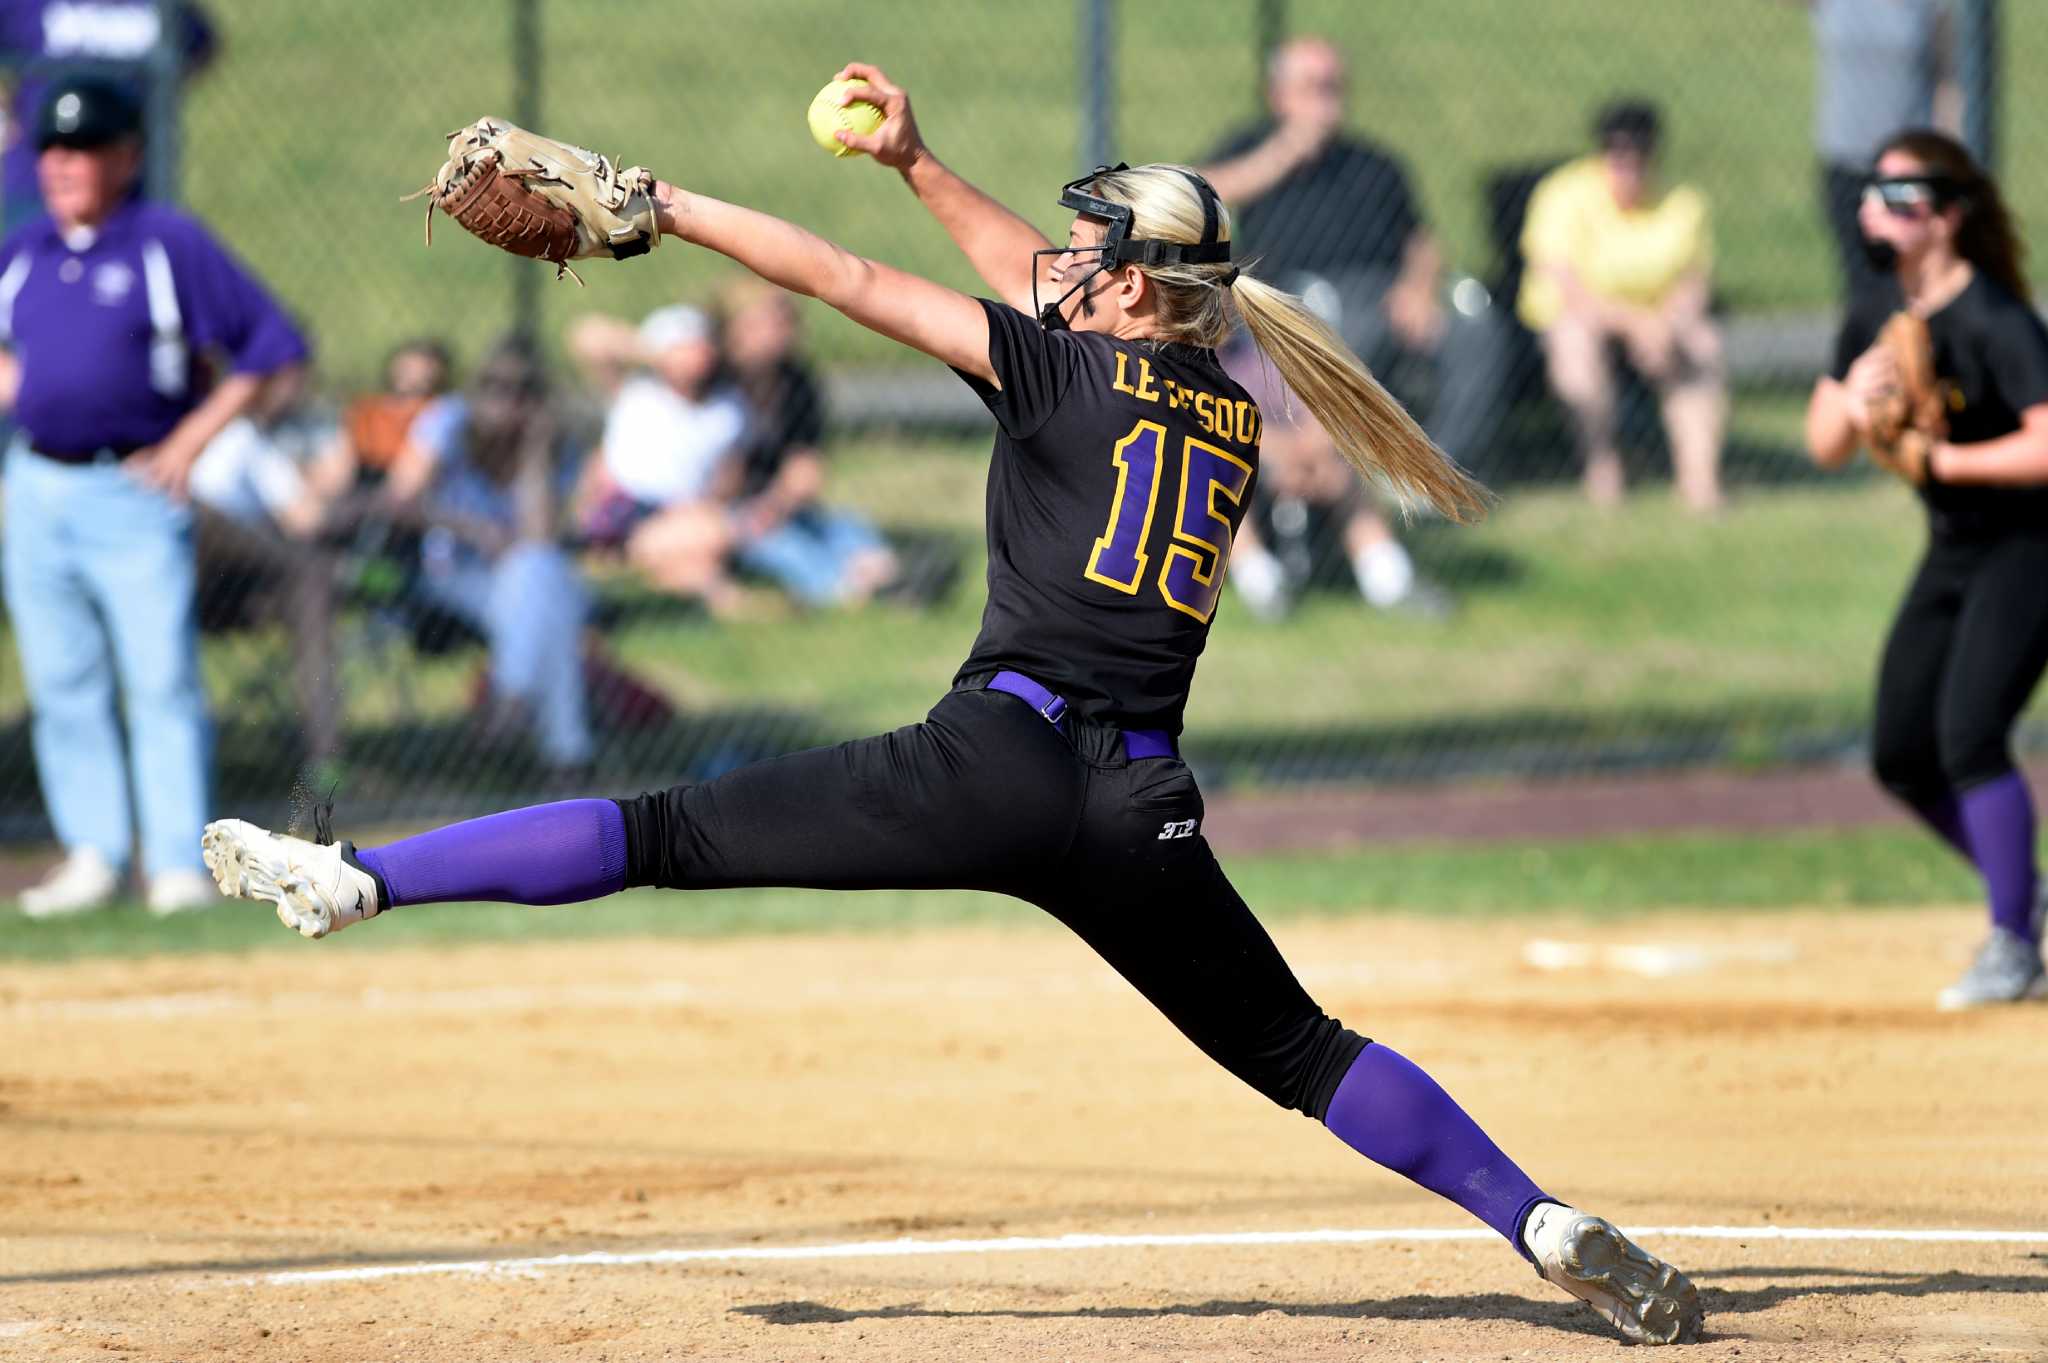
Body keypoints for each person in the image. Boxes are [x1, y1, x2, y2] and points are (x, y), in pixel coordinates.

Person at [200, 62, 1702, 1347]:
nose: (1054, 256)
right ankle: (1547, 1219)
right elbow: (1015, 287)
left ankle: (363, 876)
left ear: (1124, 286)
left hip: (989, 758)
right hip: (1140, 807)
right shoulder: (1227, 405)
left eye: (1082, 245)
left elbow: (842, 284)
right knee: (1303, 1051)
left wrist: (662, 204)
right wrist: (914, 162)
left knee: (662, 827)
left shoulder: (1061, 374)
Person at [0, 74, 306, 917]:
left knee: (160, 680)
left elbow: (270, 345)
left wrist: (188, 442)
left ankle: (174, 859)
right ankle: (93, 853)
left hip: (134, 489)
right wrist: (28, 393)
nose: (65, 165)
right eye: (53, 150)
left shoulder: (165, 242)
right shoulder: (24, 251)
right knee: (64, 681)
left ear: (127, 156)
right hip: (37, 486)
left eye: (86, 149)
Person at [1804, 130, 2048, 1010]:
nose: (1876, 206)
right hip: (1955, 550)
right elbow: (1822, 442)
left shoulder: (1995, 319)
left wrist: (1941, 464)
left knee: (1971, 732)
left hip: (2030, 546)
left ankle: (2015, 943)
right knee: (1904, 753)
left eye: (1901, 194)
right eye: (1872, 191)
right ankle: (2022, 887)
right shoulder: (1877, 310)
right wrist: (1862, 398)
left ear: (1947, 215)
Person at [1198, 35, 1506, 474]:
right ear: (1279, 94)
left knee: (1474, 328)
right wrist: (1283, 153)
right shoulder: (1254, 145)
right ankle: (1335, 467)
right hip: (1299, 292)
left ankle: (1437, 471)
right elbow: (1202, 193)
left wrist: (1418, 289)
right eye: (1313, 86)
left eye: (1334, 85)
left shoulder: (1373, 161)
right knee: (1345, 325)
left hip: (1388, 292)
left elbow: (1421, 240)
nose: (1327, 97)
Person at [384, 336, 594, 773]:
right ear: (476, 388)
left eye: (523, 390)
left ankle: (512, 699)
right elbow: (398, 502)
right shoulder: (446, 424)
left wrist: (535, 450)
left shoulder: (555, 448)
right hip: (451, 576)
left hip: (524, 583)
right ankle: (567, 758)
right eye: (495, 386)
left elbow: (539, 536)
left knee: (537, 574)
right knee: (548, 592)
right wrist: (471, 528)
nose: (507, 399)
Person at [1518, 100, 1725, 512]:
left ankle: (1700, 480)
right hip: (1581, 319)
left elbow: (1695, 282)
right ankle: (1602, 468)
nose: (1628, 166)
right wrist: (1637, 325)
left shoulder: (1683, 202)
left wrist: (1667, 323)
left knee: (1702, 344)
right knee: (1574, 343)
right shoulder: (1562, 194)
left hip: (1657, 322)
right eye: (1617, 154)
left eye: (1639, 155)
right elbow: (1567, 289)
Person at [188, 361, 341, 767]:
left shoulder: (256, 441)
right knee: (202, 517)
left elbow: (305, 518)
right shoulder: (218, 429)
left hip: (234, 587)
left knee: (311, 585)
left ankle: (325, 763)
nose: (292, 390)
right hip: (182, 569)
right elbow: (304, 519)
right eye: (283, 378)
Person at [721, 278, 897, 608]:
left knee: (844, 525)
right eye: (771, 320)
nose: (786, 330)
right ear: (736, 329)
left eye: (789, 320)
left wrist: (775, 504)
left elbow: (805, 468)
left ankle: (878, 573)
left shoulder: (797, 381)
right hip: (723, 507)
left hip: (775, 502)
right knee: (783, 543)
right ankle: (839, 590)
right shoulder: (716, 381)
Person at [576, 303, 751, 612]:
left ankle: (648, 570)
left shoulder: (728, 406)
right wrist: (656, 352)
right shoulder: (636, 390)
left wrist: (705, 505)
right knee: (701, 547)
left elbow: (730, 478)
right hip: (624, 506)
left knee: (713, 532)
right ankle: (700, 586)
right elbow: (587, 336)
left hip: (680, 512)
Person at [0, 0, 217, 230]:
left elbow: (198, 46)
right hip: (37, 188)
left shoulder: (158, 8)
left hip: (131, 189)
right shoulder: (26, 6)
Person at [1808, 0, 1959, 314]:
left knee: (1908, 285)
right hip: (1846, 162)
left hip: (1907, 171)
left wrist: (1947, 154)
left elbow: (1949, 81)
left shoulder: (1929, 7)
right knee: (1861, 288)